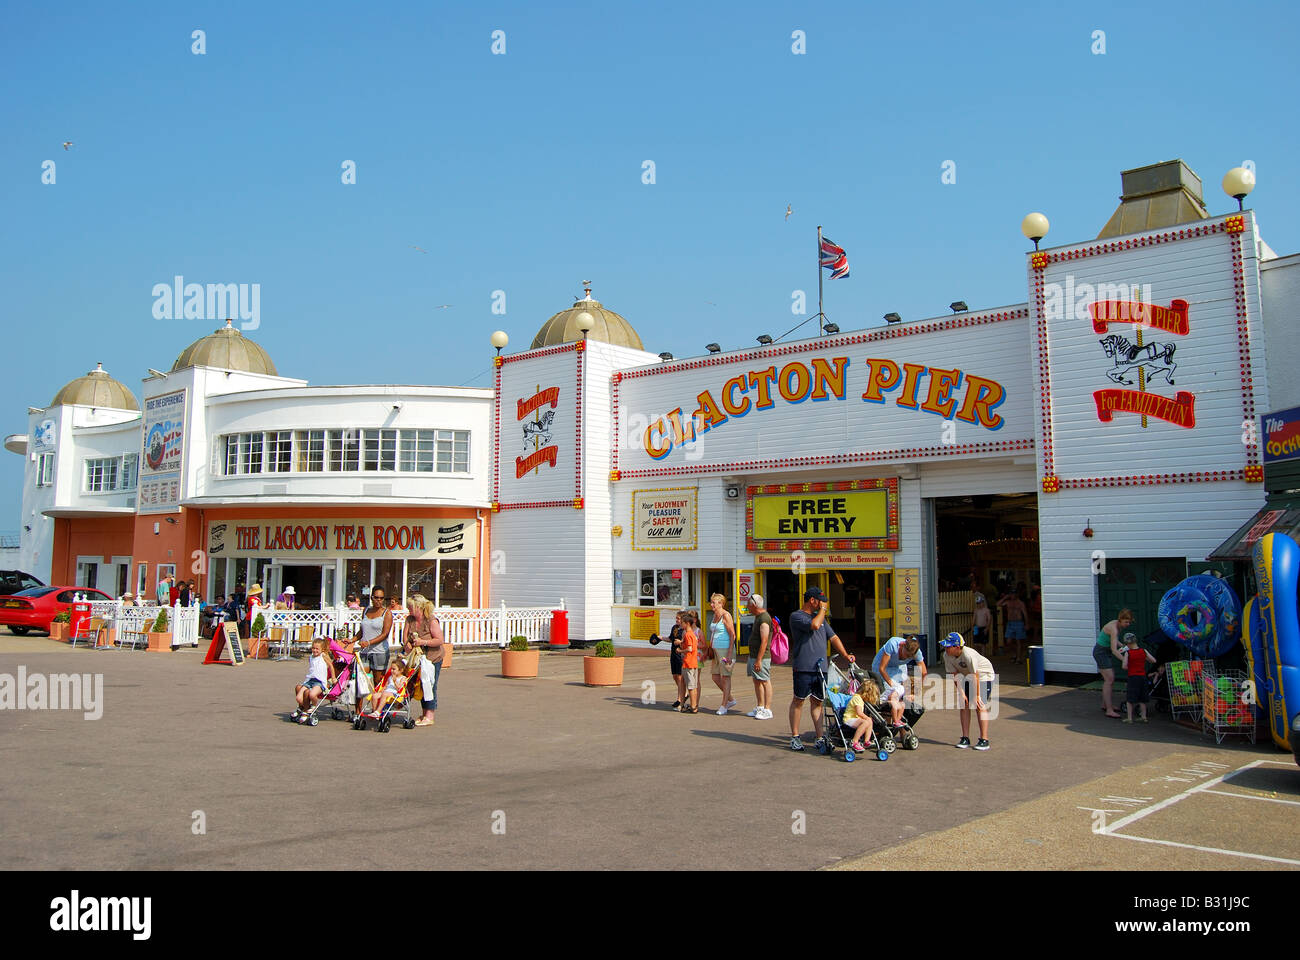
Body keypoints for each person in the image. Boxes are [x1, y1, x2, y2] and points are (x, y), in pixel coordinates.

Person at [787, 586, 853, 751]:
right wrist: (823, 610)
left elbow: (834, 637)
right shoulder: (797, 616)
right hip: (803, 667)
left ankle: (819, 737)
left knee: (818, 702)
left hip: (820, 668)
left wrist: (845, 655)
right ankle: (795, 737)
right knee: (798, 700)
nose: (823, 604)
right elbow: (814, 626)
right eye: (821, 601)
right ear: (812, 600)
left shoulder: (821, 618)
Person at [940, 631, 994, 750]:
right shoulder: (947, 655)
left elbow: (976, 675)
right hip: (966, 676)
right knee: (964, 704)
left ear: (957, 647)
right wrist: (961, 693)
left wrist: (977, 696)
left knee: (979, 705)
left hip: (984, 675)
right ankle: (965, 738)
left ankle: (984, 739)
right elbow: (954, 674)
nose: (945, 648)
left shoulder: (969, 655)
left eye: (948, 646)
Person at [404, 593, 443, 727]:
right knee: (420, 685)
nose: (408, 609)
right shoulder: (409, 620)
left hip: (433, 658)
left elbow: (439, 640)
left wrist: (422, 642)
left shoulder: (431, 620)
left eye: (410, 607)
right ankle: (424, 713)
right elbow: (405, 638)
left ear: (418, 607)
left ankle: (430, 715)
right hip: (418, 658)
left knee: (430, 684)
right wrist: (407, 645)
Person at [354, 587, 394, 714]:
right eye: (376, 597)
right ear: (371, 597)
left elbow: (385, 634)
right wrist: (352, 639)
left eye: (382, 598)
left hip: (379, 652)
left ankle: (377, 710)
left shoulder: (386, 613)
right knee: (361, 680)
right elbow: (362, 631)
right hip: (365, 652)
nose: (379, 600)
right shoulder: (366, 610)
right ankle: (358, 712)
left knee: (377, 682)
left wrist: (369, 642)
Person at [871, 635, 926, 727]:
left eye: (910, 657)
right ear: (902, 645)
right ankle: (886, 727)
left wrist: (916, 692)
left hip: (899, 668)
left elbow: (923, 673)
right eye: (906, 655)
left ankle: (902, 729)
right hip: (882, 667)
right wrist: (892, 685)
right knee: (890, 698)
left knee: (905, 698)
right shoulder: (893, 644)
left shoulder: (916, 652)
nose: (906, 658)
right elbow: (882, 668)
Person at [1095, 609, 1133, 719]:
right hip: (1101, 652)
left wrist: (1126, 648)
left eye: (1129, 622)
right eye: (1126, 622)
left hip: (1105, 651)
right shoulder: (1114, 628)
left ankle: (1105, 704)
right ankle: (1109, 710)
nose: (1128, 624)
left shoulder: (1117, 625)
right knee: (1109, 679)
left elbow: (1115, 641)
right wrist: (1125, 660)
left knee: (1109, 678)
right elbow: (1114, 650)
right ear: (1120, 620)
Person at [705, 593, 737, 715]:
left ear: (721, 604)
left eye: (714, 602)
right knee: (715, 676)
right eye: (711, 602)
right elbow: (713, 632)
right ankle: (730, 699)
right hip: (715, 649)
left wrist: (729, 653)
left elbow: (732, 634)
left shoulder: (726, 615)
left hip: (725, 649)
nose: (711, 604)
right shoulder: (715, 615)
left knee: (725, 677)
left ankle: (724, 705)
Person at [293, 639, 335, 723]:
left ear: (322, 650)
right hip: (310, 680)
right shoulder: (311, 657)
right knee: (298, 698)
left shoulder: (323, 656)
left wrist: (333, 677)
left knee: (312, 694)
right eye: (313, 648)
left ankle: (314, 706)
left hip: (319, 682)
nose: (314, 650)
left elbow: (330, 665)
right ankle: (305, 707)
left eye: (317, 649)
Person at [746, 594, 774, 720]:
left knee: (764, 680)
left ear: (754, 605)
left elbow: (764, 640)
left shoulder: (764, 618)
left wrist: (759, 660)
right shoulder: (758, 616)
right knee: (756, 680)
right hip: (754, 654)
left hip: (762, 657)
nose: (747, 607)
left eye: (748, 604)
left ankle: (767, 709)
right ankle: (760, 706)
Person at [1121, 633, 1157, 724]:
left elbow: (1124, 666)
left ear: (1128, 644)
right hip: (1142, 677)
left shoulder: (1128, 653)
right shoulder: (1143, 651)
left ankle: (1129, 718)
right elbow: (1153, 660)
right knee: (1142, 698)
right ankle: (1143, 717)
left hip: (1133, 677)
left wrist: (1131, 665)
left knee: (1130, 698)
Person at [842, 676, 881, 753]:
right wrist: (866, 718)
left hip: (855, 719)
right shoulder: (857, 698)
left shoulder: (860, 699)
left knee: (869, 720)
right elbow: (859, 712)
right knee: (866, 721)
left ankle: (866, 741)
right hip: (849, 719)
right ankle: (854, 741)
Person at [998, 589, 1028, 664]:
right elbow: (998, 604)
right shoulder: (1008, 602)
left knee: (1018, 641)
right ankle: (1014, 654)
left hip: (1018, 623)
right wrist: (1005, 597)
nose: (1012, 595)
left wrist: (1026, 623)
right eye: (1011, 594)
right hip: (1010, 623)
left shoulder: (1020, 603)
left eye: (1014, 594)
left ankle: (1018, 658)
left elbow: (1025, 613)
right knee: (1009, 641)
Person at [679, 610, 701, 714]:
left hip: (689, 663)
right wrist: (681, 642)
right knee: (693, 685)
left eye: (682, 622)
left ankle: (693, 707)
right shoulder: (692, 634)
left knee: (691, 686)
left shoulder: (688, 634)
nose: (681, 624)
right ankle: (694, 705)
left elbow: (690, 648)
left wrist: (680, 650)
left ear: (687, 623)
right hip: (693, 662)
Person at [667, 614, 686, 710]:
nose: (676, 620)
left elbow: (687, 642)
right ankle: (684, 693)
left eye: (678, 618)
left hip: (680, 655)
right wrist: (659, 638)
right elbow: (671, 639)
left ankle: (680, 698)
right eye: (676, 618)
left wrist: (681, 642)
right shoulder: (674, 627)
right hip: (673, 654)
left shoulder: (685, 629)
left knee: (680, 677)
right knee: (675, 676)